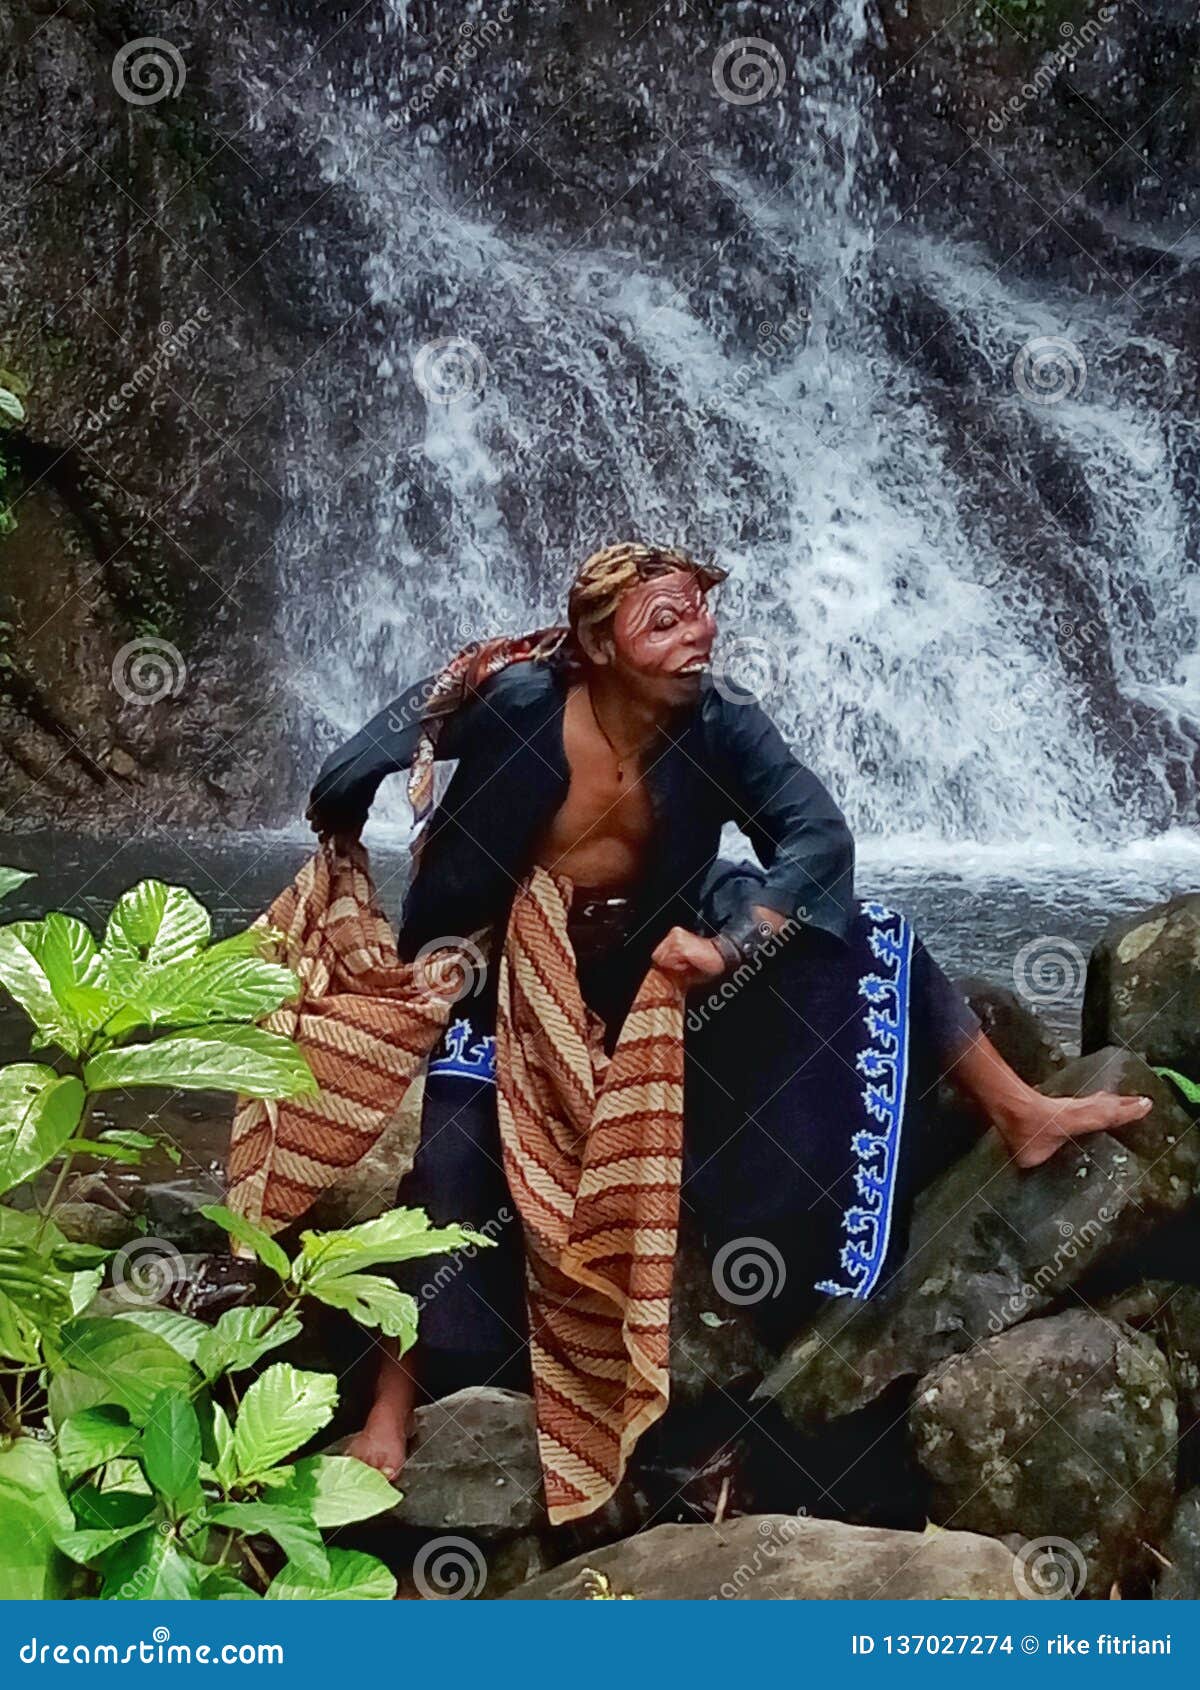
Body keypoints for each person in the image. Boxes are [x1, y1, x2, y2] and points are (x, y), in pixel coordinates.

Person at [240, 540, 1152, 1514]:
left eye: (696, 614)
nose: (696, 636)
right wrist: (348, 811)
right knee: (454, 1166)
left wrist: (727, 948)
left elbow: (819, 836)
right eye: (664, 622)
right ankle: (392, 1402)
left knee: (873, 935)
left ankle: (1020, 1111)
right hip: (505, 968)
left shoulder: (719, 719)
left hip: (663, 948)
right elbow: (379, 747)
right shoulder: (521, 707)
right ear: (598, 645)